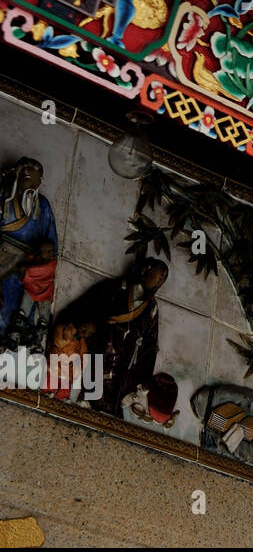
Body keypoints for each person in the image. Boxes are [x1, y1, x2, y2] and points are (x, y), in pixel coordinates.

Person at [62, 258, 169, 418]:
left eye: (163, 279)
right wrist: (89, 326)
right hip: (100, 350)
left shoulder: (151, 308)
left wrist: (144, 381)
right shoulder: (115, 288)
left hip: (123, 363)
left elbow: (150, 346)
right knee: (88, 399)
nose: (160, 280)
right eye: (158, 275)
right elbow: (87, 306)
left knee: (112, 407)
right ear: (145, 269)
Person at [0, 157, 59, 348]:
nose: (33, 185)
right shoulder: (3, 197)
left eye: (37, 181)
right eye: (28, 178)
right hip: (3, 259)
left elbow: (52, 246)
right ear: (16, 177)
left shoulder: (42, 206)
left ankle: (9, 340)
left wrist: (41, 268)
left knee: (18, 309)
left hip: (29, 269)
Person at [17, 240, 57, 350]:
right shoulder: (34, 258)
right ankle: (15, 335)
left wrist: (25, 269)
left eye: (52, 251)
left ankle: (37, 342)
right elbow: (27, 262)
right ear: (39, 252)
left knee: (44, 320)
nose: (51, 253)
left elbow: (39, 270)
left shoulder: (52, 263)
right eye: (47, 251)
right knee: (21, 313)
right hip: (31, 290)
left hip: (45, 292)